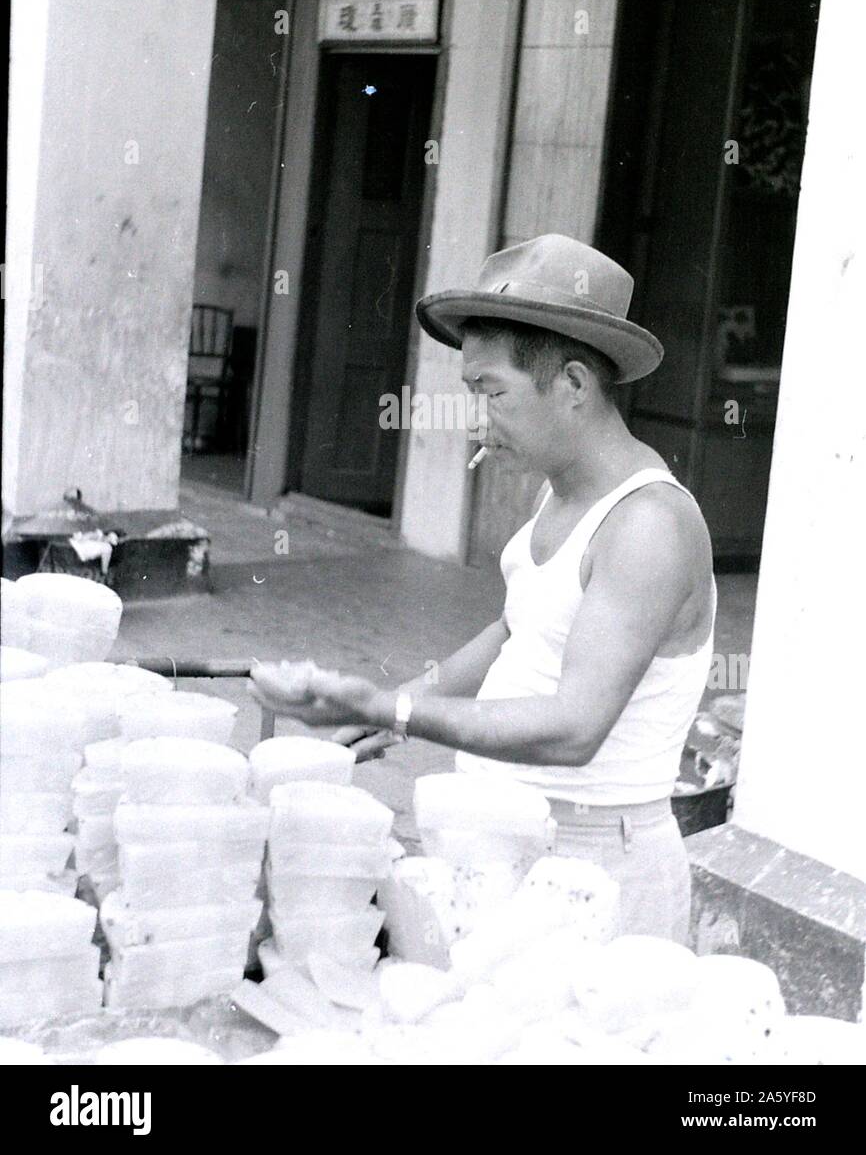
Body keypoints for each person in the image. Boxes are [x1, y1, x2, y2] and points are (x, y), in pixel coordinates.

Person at [251, 234, 716, 943]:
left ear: (572, 386)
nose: (477, 419)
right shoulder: (560, 493)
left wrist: (397, 708)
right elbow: (515, 630)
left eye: (492, 393)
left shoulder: (648, 525)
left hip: (595, 863)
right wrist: (400, 701)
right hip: (508, 836)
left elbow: (574, 729)